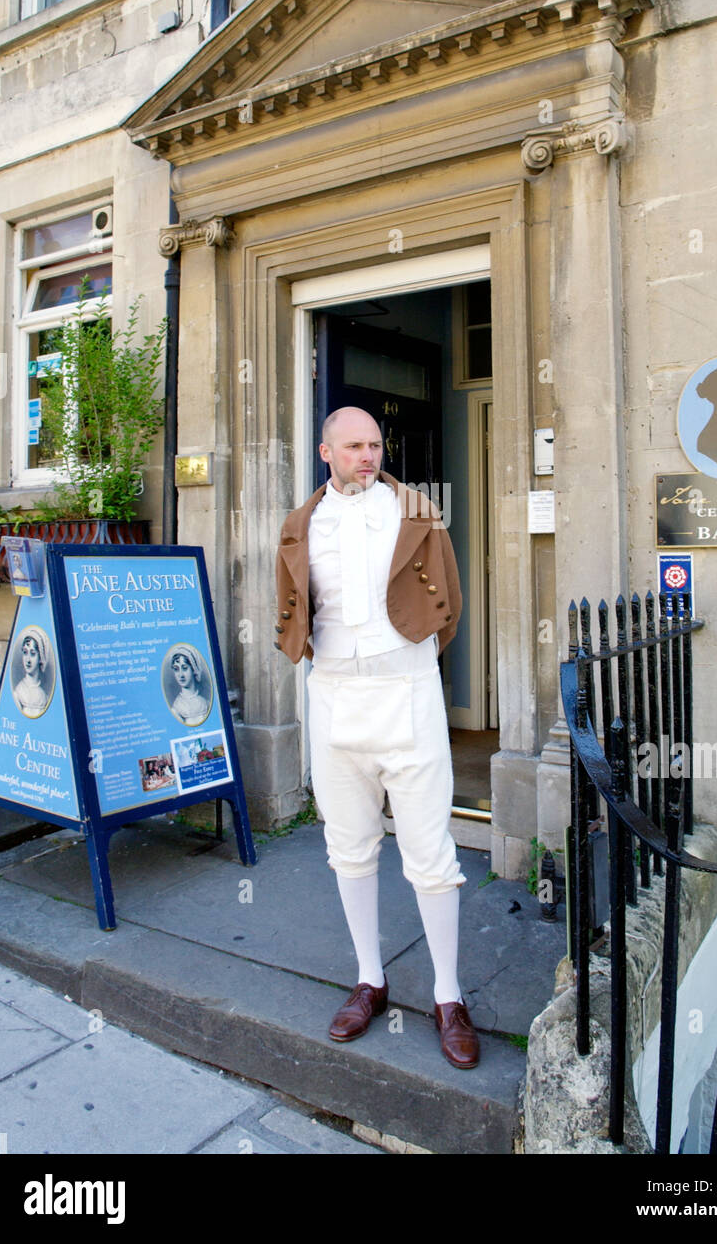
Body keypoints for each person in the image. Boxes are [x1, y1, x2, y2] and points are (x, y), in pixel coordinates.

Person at [275, 406, 480, 1069]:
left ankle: (449, 996)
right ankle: (369, 978)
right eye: (354, 445)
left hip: (408, 694)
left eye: (374, 444)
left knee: (429, 851)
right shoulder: (300, 524)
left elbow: (446, 604)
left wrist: (407, 659)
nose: (368, 454)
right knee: (348, 848)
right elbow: (293, 606)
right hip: (333, 697)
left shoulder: (417, 514)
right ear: (325, 451)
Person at [13, 627, 50, 719]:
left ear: (40, 657)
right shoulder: (18, 692)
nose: (28, 660)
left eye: (33, 653)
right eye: (25, 652)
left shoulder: (45, 696)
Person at [169, 647, 210, 725]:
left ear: (193, 669)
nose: (181, 675)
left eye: (184, 668)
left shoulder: (205, 703)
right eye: (176, 669)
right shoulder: (177, 708)